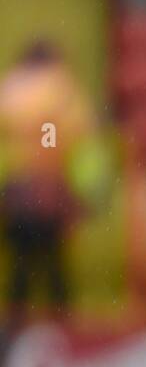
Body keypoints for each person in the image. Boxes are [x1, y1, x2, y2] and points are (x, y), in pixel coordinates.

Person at [0, 40, 93, 326]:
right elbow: (82, 145)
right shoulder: (65, 88)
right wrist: (81, 197)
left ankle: (14, 337)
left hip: (17, 193)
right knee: (54, 271)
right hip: (51, 194)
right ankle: (61, 333)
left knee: (20, 271)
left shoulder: (10, 87)